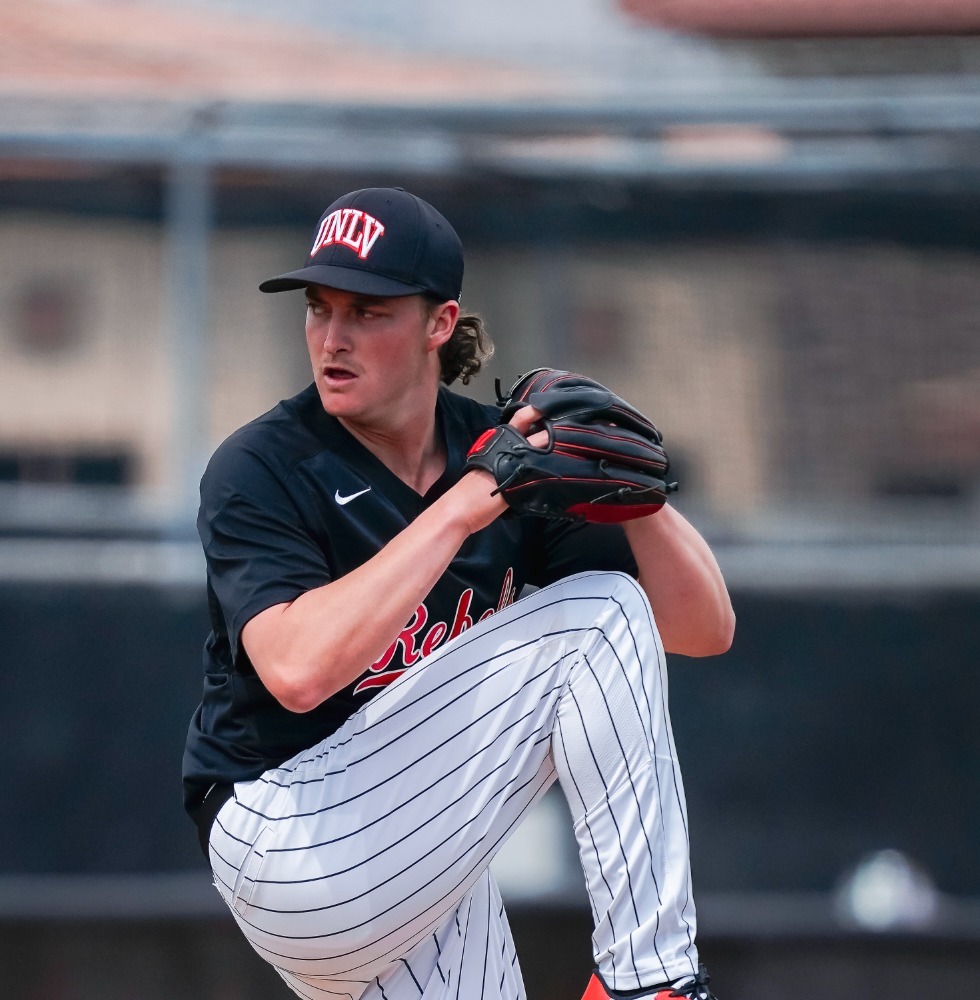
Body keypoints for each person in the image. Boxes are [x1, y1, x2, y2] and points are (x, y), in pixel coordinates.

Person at [182, 186, 734, 1000]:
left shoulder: (500, 455)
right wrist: (463, 506)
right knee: (595, 616)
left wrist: (645, 503)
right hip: (288, 836)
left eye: (368, 312)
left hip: (413, 839)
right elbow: (296, 671)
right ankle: (650, 981)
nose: (333, 337)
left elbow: (700, 630)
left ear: (439, 324)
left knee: (614, 609)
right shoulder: (264, 465)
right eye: (318, 307)